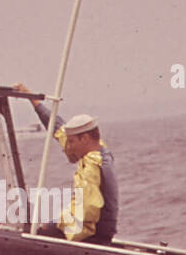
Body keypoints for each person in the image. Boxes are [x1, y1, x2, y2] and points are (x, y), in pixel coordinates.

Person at [21, 88, 119, 244]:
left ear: (85, 138)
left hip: (92, 235)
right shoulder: (98, 149)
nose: (69, 147)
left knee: (36, 234)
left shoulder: (93, 166)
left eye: (72, 142)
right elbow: (59, 129)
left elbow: (86, 214)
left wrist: (54, 225)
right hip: (96, 229)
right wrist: (34, 102)